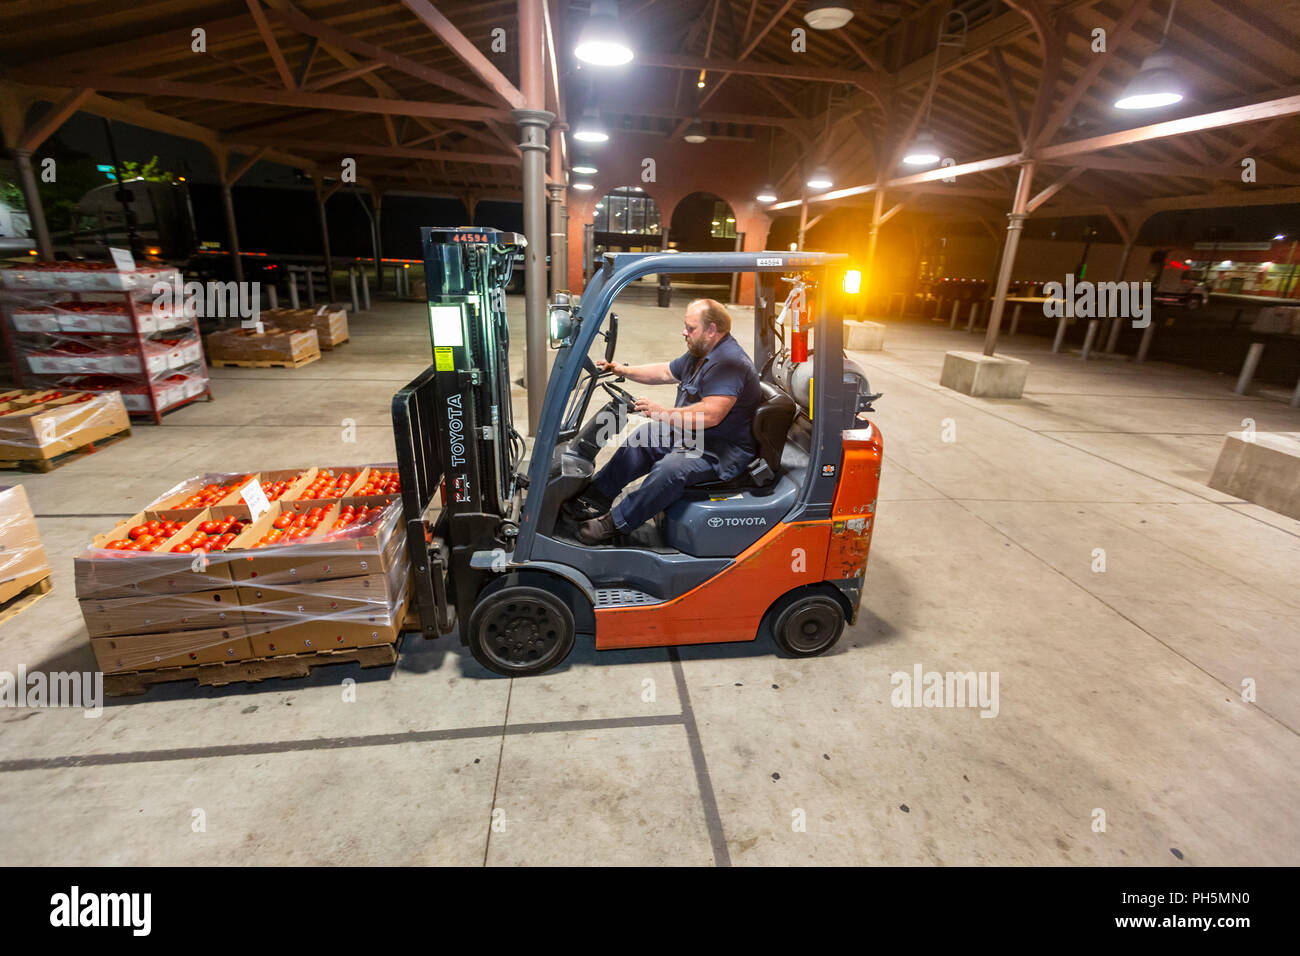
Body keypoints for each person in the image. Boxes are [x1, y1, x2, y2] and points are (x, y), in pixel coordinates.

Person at [572, 298, 761, 545]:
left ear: (711, 329)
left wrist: (661, 412)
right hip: (697, 438)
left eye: (690, 328)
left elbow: (711, 414)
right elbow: (665, 372)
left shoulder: (729, 363)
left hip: (720, 451)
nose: (684, 332)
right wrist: (623, 370)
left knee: (671, 470)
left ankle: (616, 523)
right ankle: (595, 496)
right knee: (644, 438)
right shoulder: (701, 352)